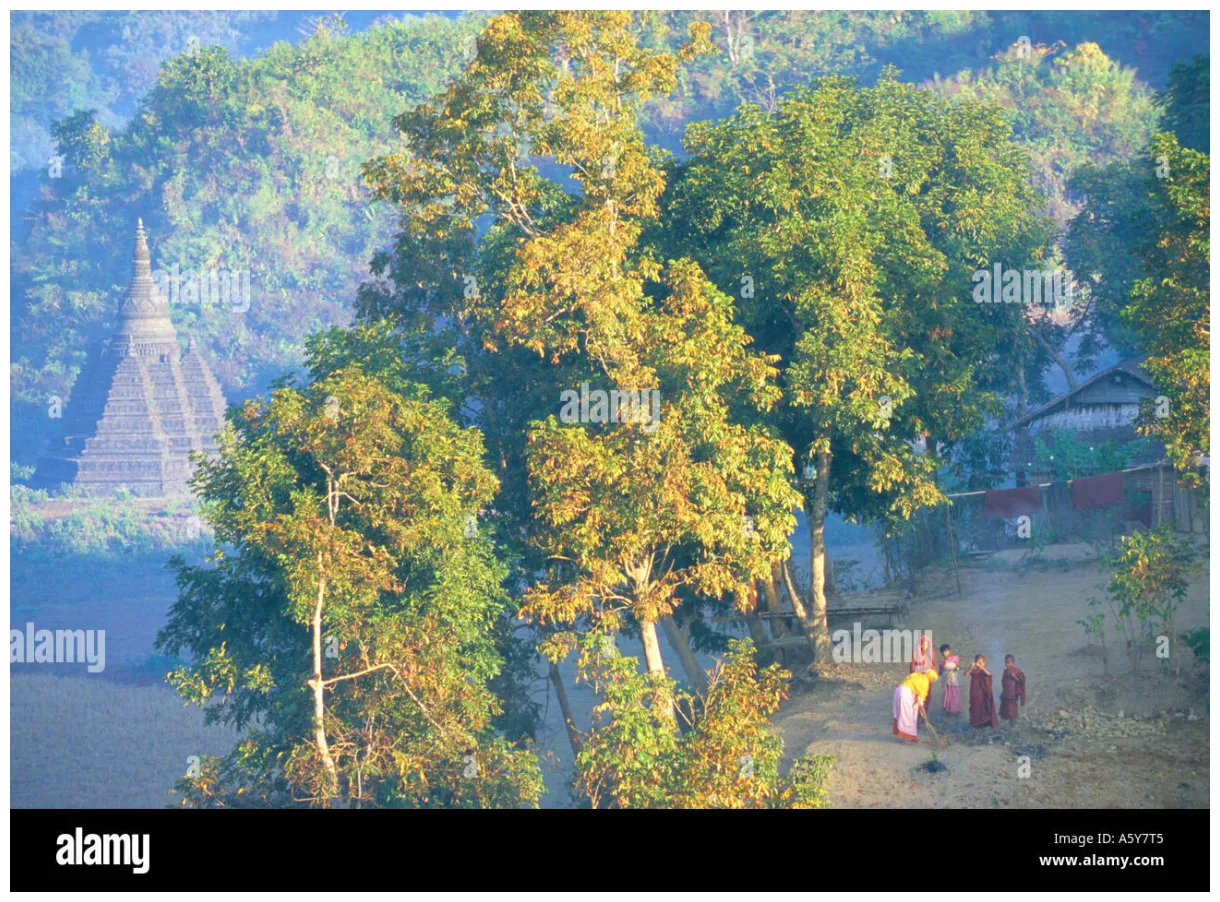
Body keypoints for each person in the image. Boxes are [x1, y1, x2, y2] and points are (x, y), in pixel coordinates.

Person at [892, 668, 939, 744]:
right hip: (905, 693)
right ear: (930, 677)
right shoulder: (925, 682)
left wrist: (921, 710)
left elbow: (916, 694)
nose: (932, 682)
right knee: (907, 716)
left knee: (905, 714)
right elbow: (920, 701)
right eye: (933, 679)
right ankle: (907, 738)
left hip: (899, 691)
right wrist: (924, 712)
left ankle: (910, 735)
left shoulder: (918, 675)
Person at [967, 654, 998, 730]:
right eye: (977, 662)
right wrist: (971, 667)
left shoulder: (984, 671)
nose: (979, 664)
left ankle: (985, 722)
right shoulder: (974, 671)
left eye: (981, 663)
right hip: (974, 693)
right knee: (975, 708)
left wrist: (981, 667)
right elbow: (965, 674)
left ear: (984, 663)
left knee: (984, 707)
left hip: (983, 693)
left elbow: (989, 674)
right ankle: (975, 723)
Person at [1000, 654, 1026, 728]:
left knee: (1012, 710)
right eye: (1005, 662)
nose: (1007, 664)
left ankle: (1013, 725)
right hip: (1006, 694)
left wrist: (1014, 677)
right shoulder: (1005, 671)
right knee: (1008, 710)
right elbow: (1004, 682)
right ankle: (1013, 722)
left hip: (1013, 694)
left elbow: (1022, 682)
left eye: (1008, 662)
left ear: (1013, 662)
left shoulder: (1017, 671)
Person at [939, 643, 961, 714]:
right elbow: (939, 673)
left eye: (946, 651)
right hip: (946, 680)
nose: (944, 653)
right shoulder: (941, 662)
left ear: (949, 651)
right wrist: (942, 667)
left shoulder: (955, 658)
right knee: (947, 694)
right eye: (943, 652)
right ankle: (947, 709)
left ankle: (956, 710)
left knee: (954, 694)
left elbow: (959, 667)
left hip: (954, 679)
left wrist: (956, 668)